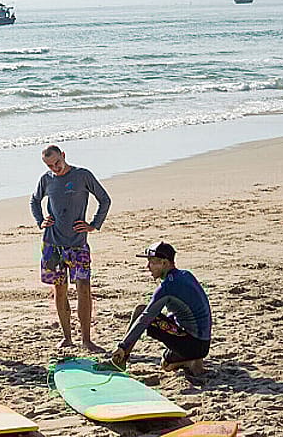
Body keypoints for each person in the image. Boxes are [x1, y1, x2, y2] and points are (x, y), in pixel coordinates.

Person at [30, 145, 111, 352]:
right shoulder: (46, 180)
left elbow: (104, 199)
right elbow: (34, 200)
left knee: (84, 288)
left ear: (64, 156)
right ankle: (67, 337)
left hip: (78, 244)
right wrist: (41, 221)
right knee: (59, 289)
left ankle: (86, 339)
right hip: (52, 245)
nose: (55, 168)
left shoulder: (82, 175)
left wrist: (94, 224)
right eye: (50, 165)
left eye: (57, 162)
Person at [109, 241, 212, 375]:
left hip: (192, 344)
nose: (148, 267)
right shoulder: (185, 274)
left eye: (152, 262)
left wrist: (123, 346)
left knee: (140, 311)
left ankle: (120, 359)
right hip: (203, 343)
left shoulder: (167, 287)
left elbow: (145, 318)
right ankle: (194, 362)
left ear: (164, 263)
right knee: (167, 364)